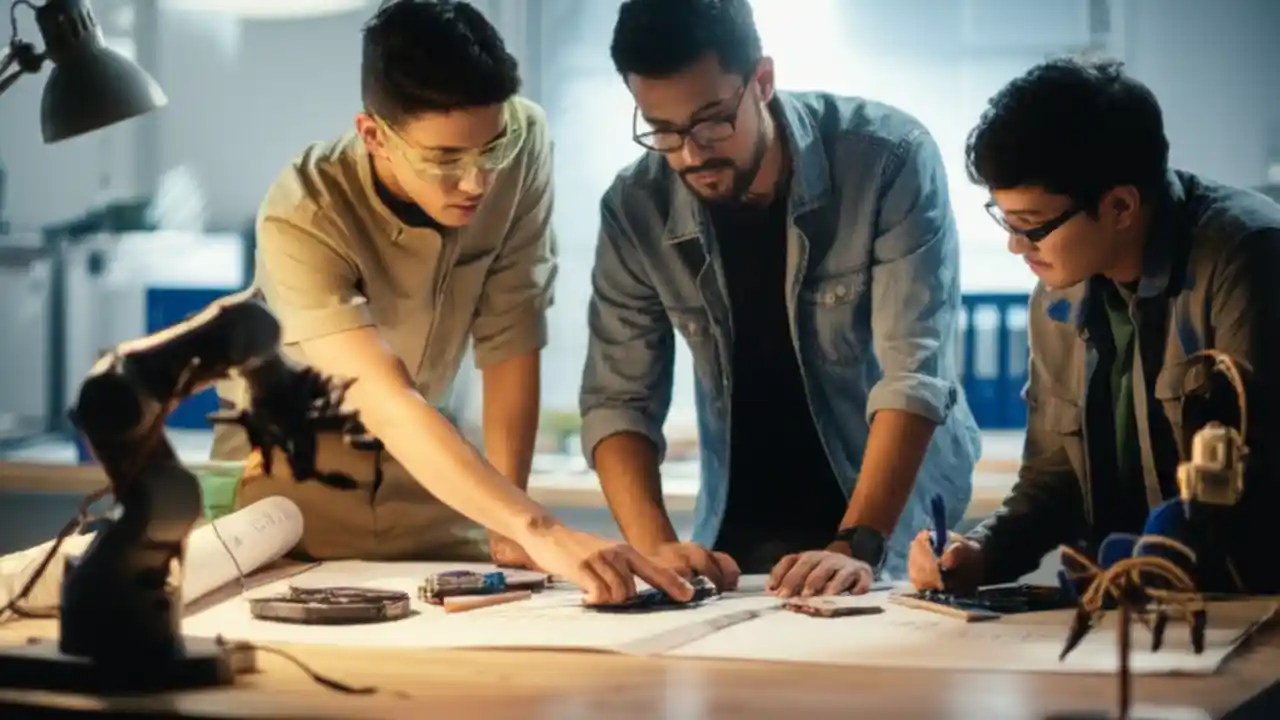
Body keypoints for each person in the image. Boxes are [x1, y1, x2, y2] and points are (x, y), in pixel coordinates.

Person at [212, 0, 691, 605]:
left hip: (433, 493)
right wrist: (537, 526)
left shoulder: (519, 143)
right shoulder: (302, 211)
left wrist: (508, 524)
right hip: (284, 503)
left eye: (488, 150)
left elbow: (512, 331)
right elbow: (383, 398)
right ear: (373, 136)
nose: (476, 182)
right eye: (443, 159)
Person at [580, 0, 979, 597]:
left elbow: (913, 372)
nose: (690, 154)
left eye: (712, 120)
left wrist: (857, 544)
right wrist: (657, 546)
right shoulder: (636, 206)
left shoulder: (887, 158)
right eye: (662, 129)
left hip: (883, 529)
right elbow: (618, 400)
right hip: (736, 538)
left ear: (761, 81)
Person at [909, 58, 1280, 596]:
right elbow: (1052, 482)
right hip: (1123, 616)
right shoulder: (1058, 295)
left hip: (1244, 614)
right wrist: (983, 553)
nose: (1017, 246)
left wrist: (1163, 549)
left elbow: (1257, 489)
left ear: (1121, 206)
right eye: (1006, 222)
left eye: (1032, 227)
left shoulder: (1246, 260)